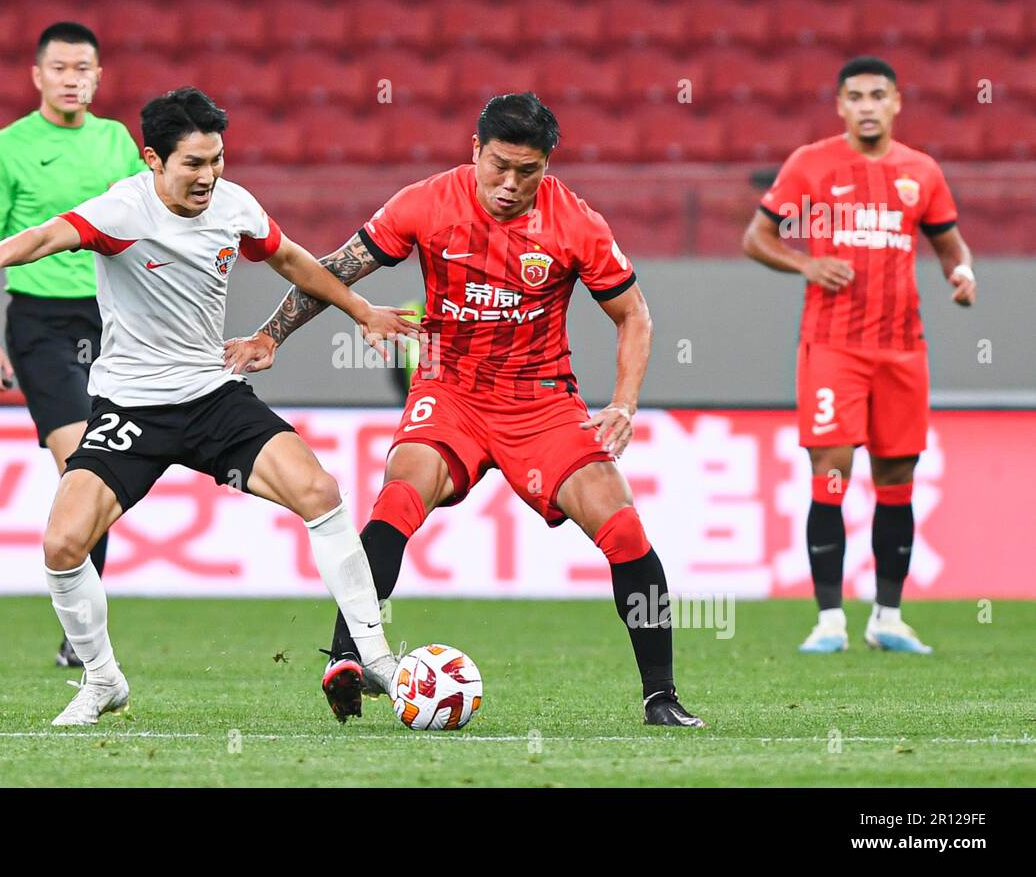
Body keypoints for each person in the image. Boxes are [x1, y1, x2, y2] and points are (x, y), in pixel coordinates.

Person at [227, 93, 705, 728]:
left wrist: (623, 402)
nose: (510, 185)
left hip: (540, 401)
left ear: (547, 165)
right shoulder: (426, 203)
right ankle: (348, 658)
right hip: (448, 390)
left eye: (527, 171)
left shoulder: (577, 223)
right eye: (499, 166)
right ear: (473, 150)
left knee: (622, 529)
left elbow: (633, 314)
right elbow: (336, 268)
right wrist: (270, 336)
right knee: (400, 494)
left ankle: (661, 698)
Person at [0, 87, 421, 726]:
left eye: (216, 159)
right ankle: (102, 680)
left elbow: (288, 258)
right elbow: (51, 235)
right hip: (131, 409)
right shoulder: (123, 210)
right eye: (192, 164)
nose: (208, 176)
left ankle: (374, 656)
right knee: (63, 545)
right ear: (153, 160)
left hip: (209, 395)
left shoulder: (234, 206)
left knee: (320, 490)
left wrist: (361, 309)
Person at [741, 56, 976, 654]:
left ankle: (887, 618)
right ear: (840, 105)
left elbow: (949, 243)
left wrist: (962, 273)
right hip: (833, 347)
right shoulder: (811, 165)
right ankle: (828, 621)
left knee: (897, 479)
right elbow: (757, 237)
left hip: (902, 349)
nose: (867, 105)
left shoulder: (921, 172)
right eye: (855, 96)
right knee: (833, 472)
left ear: (897, 102)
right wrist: (806, 262)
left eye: (878, 95)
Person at [0, 22, 146, 667]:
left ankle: (79, 625)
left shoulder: (118, 141)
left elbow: (142, 230)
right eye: (61, 67)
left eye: (84, 68)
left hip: (112, 321)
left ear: (99, 76)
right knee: (81, 461)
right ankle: (82, 629)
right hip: (40, 322)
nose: (72, 78)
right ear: (37, 75)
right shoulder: (7, 149)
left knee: (99, 474)